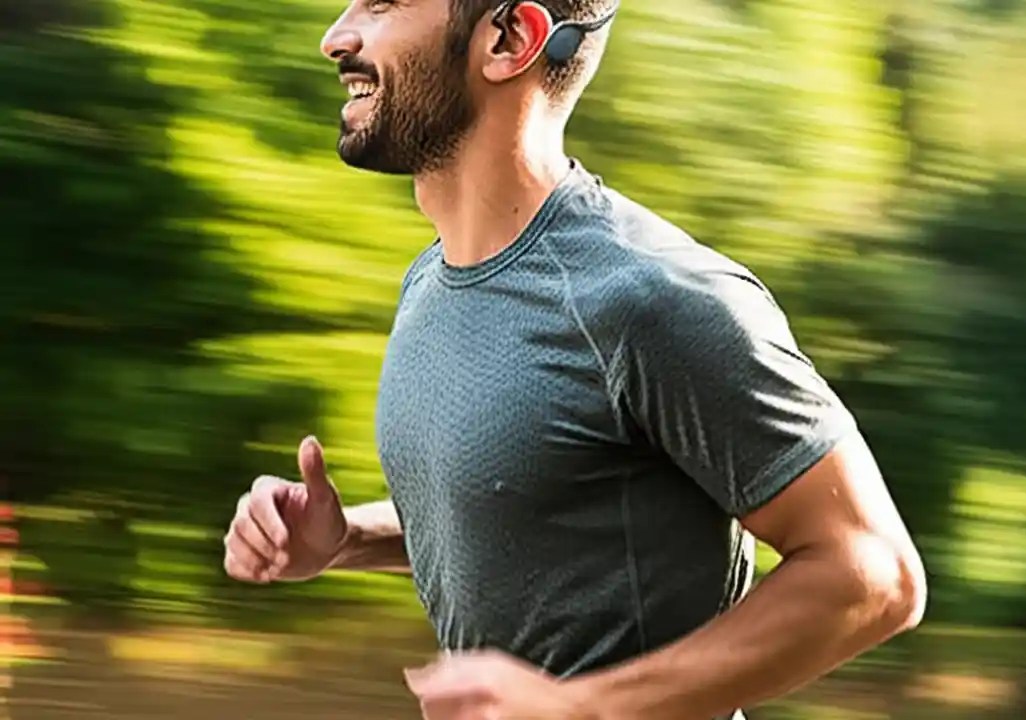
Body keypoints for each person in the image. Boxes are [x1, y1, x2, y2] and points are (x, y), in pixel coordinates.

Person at [221, 1, 927, 718]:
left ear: (509, 38)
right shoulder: (430, 283)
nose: (334, 37)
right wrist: (347, 540)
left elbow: (872, 573)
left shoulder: (654, 297)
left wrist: (585, 707)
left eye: (384, 3)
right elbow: (540, 496)